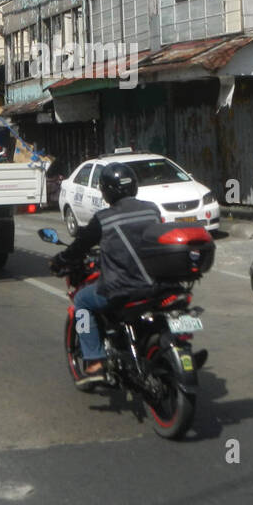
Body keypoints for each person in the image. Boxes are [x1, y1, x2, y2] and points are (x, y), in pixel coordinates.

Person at [52, 162, 163, 386]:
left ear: (106, 191)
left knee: (82, 302)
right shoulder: (152, 209)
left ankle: (94, 361)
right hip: (157, 284)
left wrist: (60, 260)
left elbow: (79, 247)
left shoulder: (104, 219)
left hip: (124, 287)